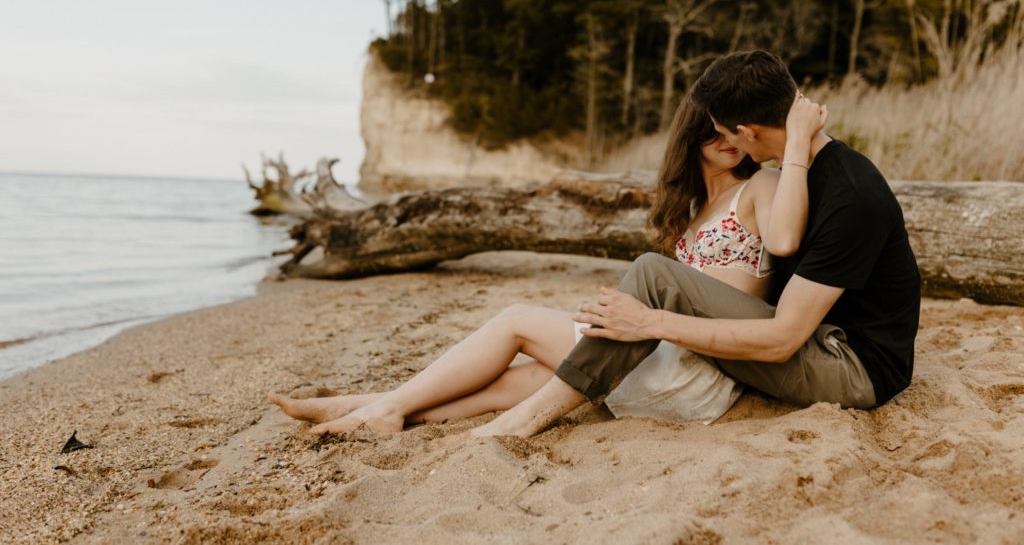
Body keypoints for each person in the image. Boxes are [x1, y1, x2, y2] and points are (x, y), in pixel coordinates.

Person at [268, 77, 827, 435]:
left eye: (733, 131)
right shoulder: (693, 212)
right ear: (690, 135)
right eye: (712, 131)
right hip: (665, 359)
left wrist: (796, 146)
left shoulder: (762, 186)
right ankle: (392, 410)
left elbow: (782, 242)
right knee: (537, 370)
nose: (728, 139)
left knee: (515, 320)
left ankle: (384, 404)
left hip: (695, 374)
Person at [440, 49, 922, 441]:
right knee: (646, 279)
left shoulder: (851, 193)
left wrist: (649, 322)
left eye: (728, 133)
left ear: (747, 132)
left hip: (852, 368)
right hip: (817, 337)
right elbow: (783, 240)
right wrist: (795, 145)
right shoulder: (807, 170)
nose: (734, 150)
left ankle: (526, 420)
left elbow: (782, 340)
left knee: (652, 275)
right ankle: (474, 409)